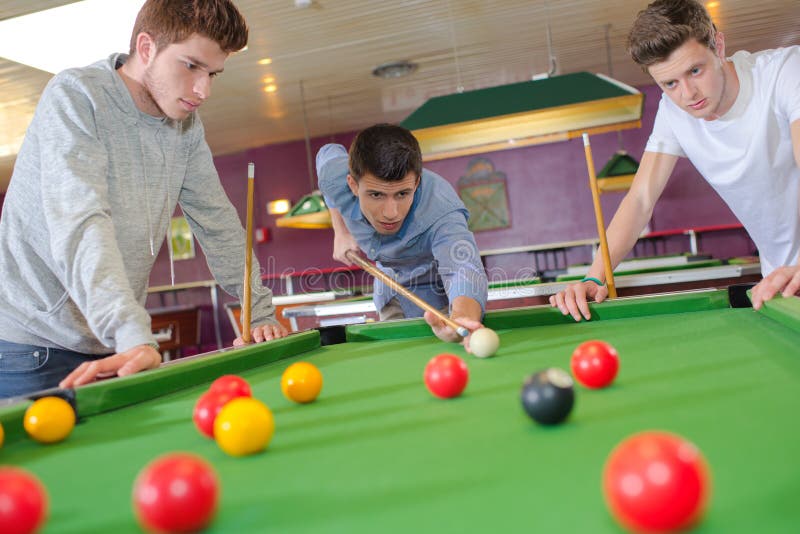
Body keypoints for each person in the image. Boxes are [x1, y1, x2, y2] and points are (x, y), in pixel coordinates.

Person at [0, 0, 288, 399]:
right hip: (31, 345)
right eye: (191, 66)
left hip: (112, 344)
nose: (203, 90)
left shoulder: (186, 127)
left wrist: (256, 309)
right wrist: (131, 332)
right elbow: (81, 221)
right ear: (147, 47)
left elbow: (218, 221)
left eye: (213, 73)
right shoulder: (76, 96)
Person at [550, 0, 800, 321]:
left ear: (718, 46)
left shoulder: (784, 72)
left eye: (695, 70)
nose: (688, 94)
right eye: (670, 84)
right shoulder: (674, 113)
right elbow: (640, 199)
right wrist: (594, 276)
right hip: (781, 282)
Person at [316, 124, 489, 347]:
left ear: (416, 183)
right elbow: (326, 154)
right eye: (376, 194)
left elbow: (463, 269)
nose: (391, 213)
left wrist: (463, 318)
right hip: (392, 294)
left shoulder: (442, 211)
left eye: (402, 193)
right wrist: (340, 231)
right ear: (352, 184)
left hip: (444, 304)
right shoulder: (335, 178)